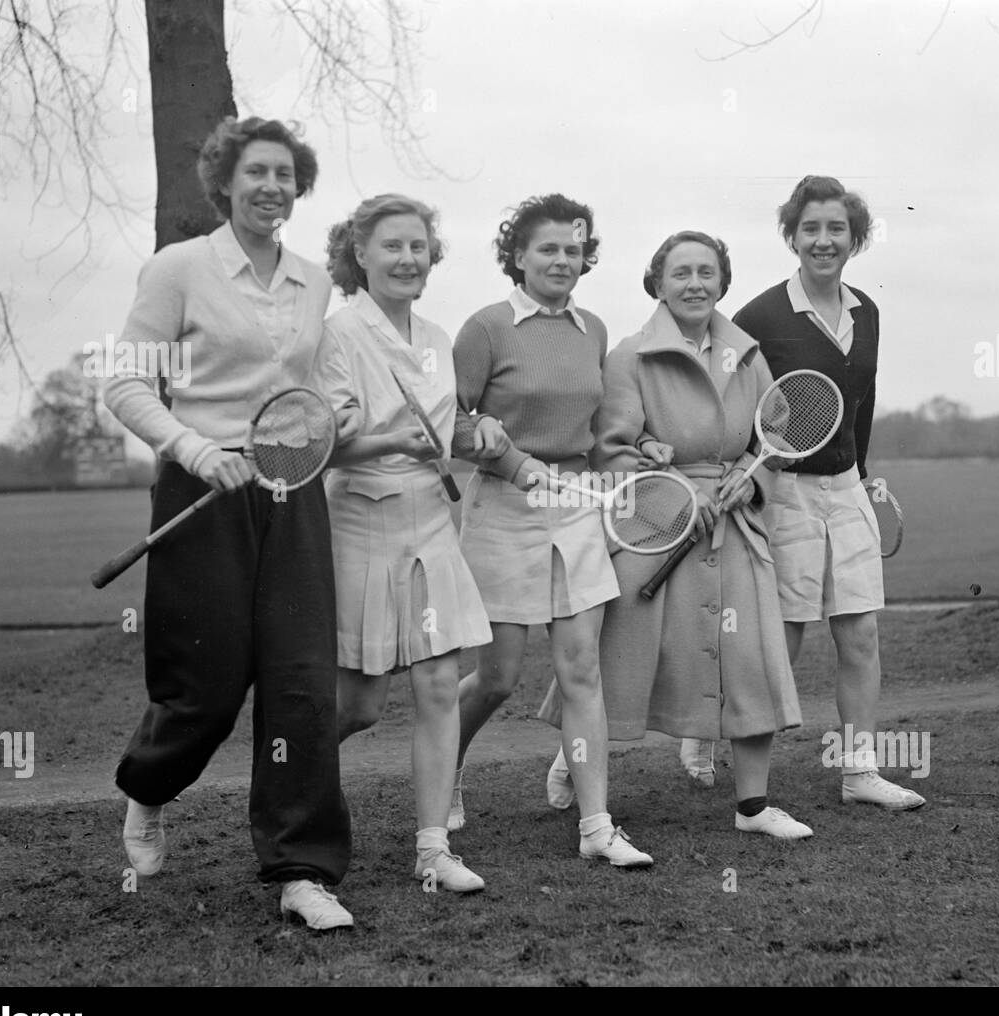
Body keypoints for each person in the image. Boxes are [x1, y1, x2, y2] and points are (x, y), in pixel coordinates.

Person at [105, 116, 353, 930]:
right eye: (256, 173)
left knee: (302, 680)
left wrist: (328, 424)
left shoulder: (315, 282)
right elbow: (125, 384)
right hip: (202, 488)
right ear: (226, 181)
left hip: (294, 489)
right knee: (204, 681)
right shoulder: (180, 268)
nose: (272, 187)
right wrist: (194, 450)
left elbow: (311, 387)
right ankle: (149, 785)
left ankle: (302, 868)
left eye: (285, 173)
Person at [542, 231, 812, 841]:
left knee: (748, 662)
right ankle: (573, 758)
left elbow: (775, 440)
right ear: (657, 282)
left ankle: (753, 809)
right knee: (622, 663)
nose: (695, 283)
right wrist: (668, 481)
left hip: (732, 527)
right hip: (652, 527)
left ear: (723, 281)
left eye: (707, 272)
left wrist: (751, 479)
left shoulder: (748, 353)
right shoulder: (630, 356)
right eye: (681, 272)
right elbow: (611, 451)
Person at [448, 193, 652, 867]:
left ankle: (597, 825)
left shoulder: (592, 328)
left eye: (573, 249)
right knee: (499, 677)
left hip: (577, 507)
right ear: (518, 255)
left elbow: (594, 433)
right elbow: (447, 425)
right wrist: (512, 461)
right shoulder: (485, 329)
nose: (562, 260)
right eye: (548, 249)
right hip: (504, 513)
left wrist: (631, 453)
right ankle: (439, 769)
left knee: (580, 671)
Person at [720, 175, 925, 810]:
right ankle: (747, 775)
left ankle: (860, 772)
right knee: (783, 639)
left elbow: (859, 404)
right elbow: (736, 407)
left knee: (859, 634)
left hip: (848, 489)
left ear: (854, 237)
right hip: (785, 493)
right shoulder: (757, 317)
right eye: (810, 228)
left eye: (836, 228)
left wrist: (860, 475)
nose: (823, 240)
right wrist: (748, 471)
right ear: (792, 235)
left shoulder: (868, 309)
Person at [313, 193, 492, 893]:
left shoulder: (437, 337)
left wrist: (479, 435)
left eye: (418, 246)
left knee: (440, 685)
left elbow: (449, 431)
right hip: (359, 520)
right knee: (357, 705)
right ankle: (288, 781)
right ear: (358, 253)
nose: (408, 259)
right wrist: (394, 438)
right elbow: (324, 442)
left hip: (430, 522)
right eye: (392, 246)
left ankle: (432, 849)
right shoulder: (335, 334)